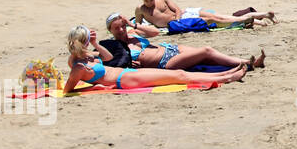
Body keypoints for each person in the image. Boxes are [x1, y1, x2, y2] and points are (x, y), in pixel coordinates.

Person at [63, 26, 247, 93]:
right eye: (88, 40)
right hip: (123, 80)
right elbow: (68, 89)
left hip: (128, 73)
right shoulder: (78, 65)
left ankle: (226, 73)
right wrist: (96, 86)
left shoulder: (87, 57)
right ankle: (226, 78)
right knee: (180, 78)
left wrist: (96, 43)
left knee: (179, 73)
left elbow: (109, 58)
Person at [104, 13, 264, 72]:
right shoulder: (114, 46)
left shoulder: (133, 33)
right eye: (117, 28)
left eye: (122, 26)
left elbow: (155, 32)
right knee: (206, 51)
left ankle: (247, 63)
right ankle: (246, 63)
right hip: (165, 62)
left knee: (207, 57)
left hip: (170, 48)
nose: (121, 30)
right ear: (110, 30)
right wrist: (130, 64)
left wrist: (132, 24)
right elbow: (110, 61)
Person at [135, 0, 274, 33]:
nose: (149, 3)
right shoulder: (140, 9)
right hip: (180, 23)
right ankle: (256, 19)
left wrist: (177, 20)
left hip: (184, 15)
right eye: (146, 0)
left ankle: (262, 16)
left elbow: (177, 9)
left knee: (221, 17)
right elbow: (138, 25)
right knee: (215, 20)